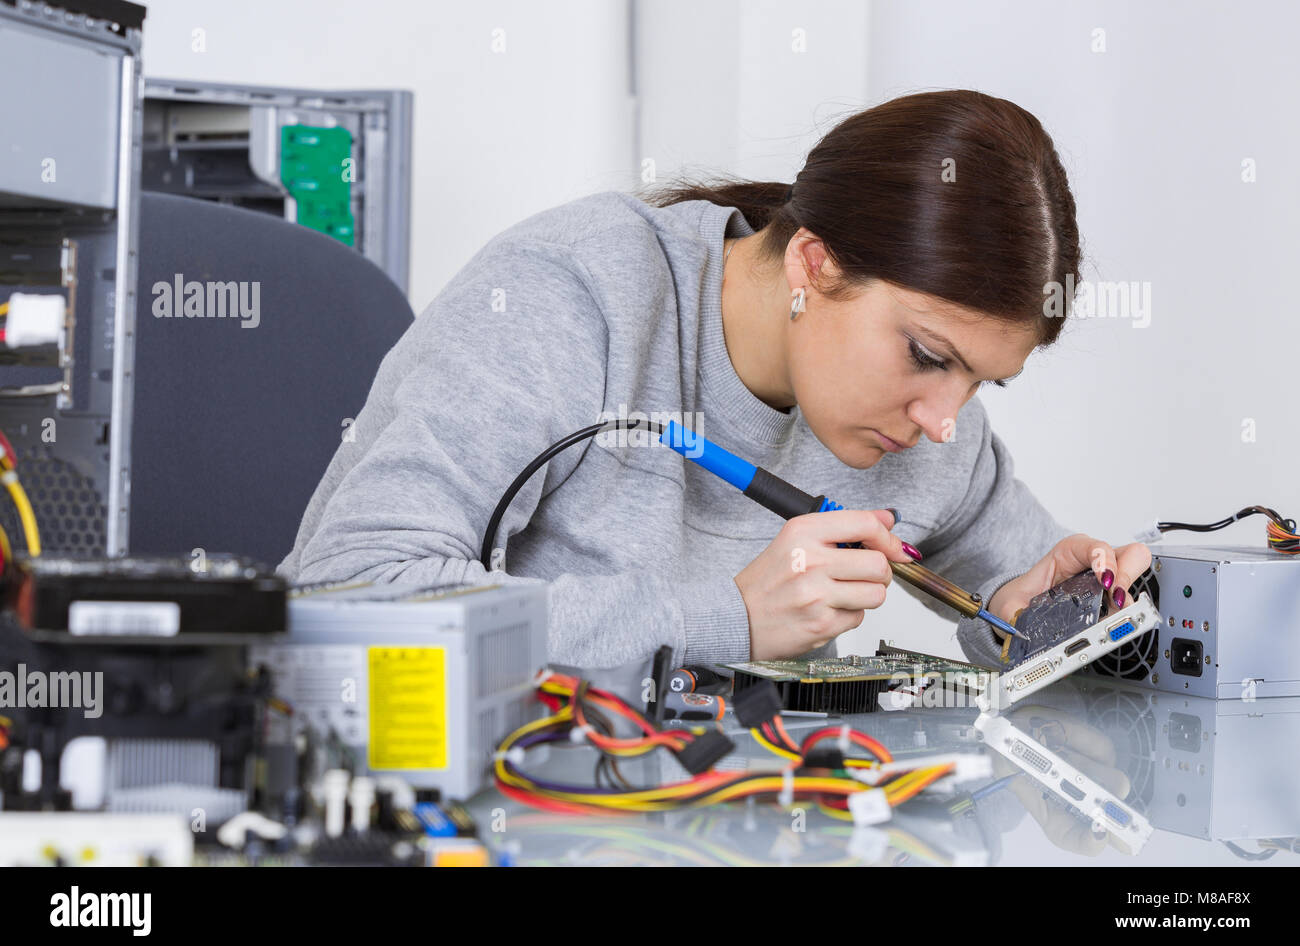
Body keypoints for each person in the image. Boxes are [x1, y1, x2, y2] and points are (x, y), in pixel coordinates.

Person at [277, 89, 1151, 672]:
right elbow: (346, 598)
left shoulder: (922, 424)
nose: (943, 421)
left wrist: (1036, 619)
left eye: (980, 383)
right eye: (928, 355)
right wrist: (720, 617)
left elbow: (1021, 593)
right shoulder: (570, 295)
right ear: (813, 263)